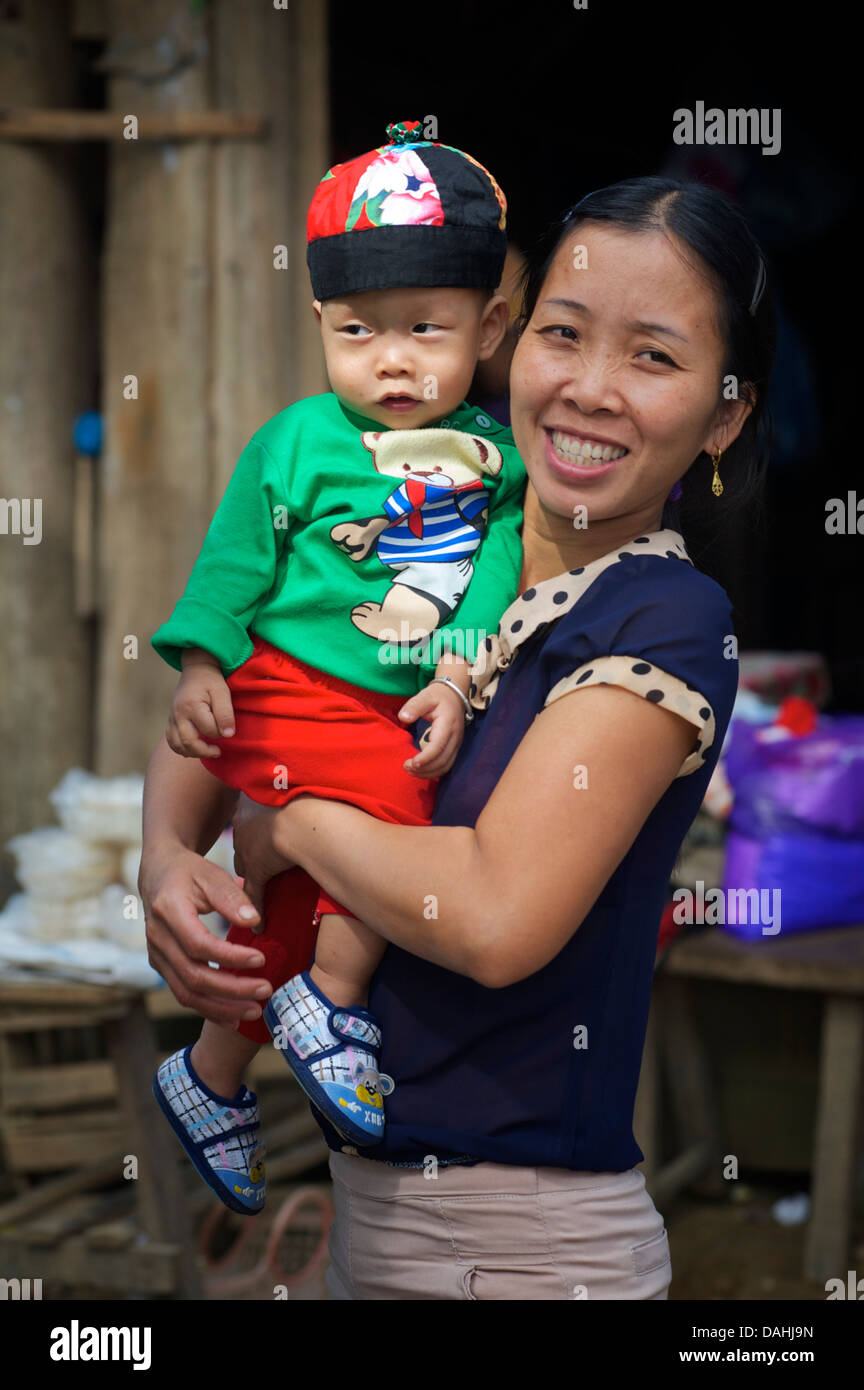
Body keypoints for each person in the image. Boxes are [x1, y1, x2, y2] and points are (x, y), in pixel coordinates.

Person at [141, 175, 776, 1299]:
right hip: (375, 1225)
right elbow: (254, 683)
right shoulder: (427, 500)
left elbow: (491, 916)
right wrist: (168, 859)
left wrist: (283, 816)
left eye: (654, 357)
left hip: (519, 1249)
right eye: (564, 335)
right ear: (506, 336)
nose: (590, 391)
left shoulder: (663, 621)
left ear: (724, 414)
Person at [148, 120, 525, 1210]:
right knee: (401, 816)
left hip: (388, 698)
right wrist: (199, 667)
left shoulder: (496, 464)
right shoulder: (297, 441)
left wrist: (457, 678)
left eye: (426, 329)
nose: (392, 359)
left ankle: (212, 1073)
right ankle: (335, 1002)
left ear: (489, 325)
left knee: (303, 893)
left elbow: (491, 588)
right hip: (287, 694)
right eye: (357, 331)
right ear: (317, 319)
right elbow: (232, 563)